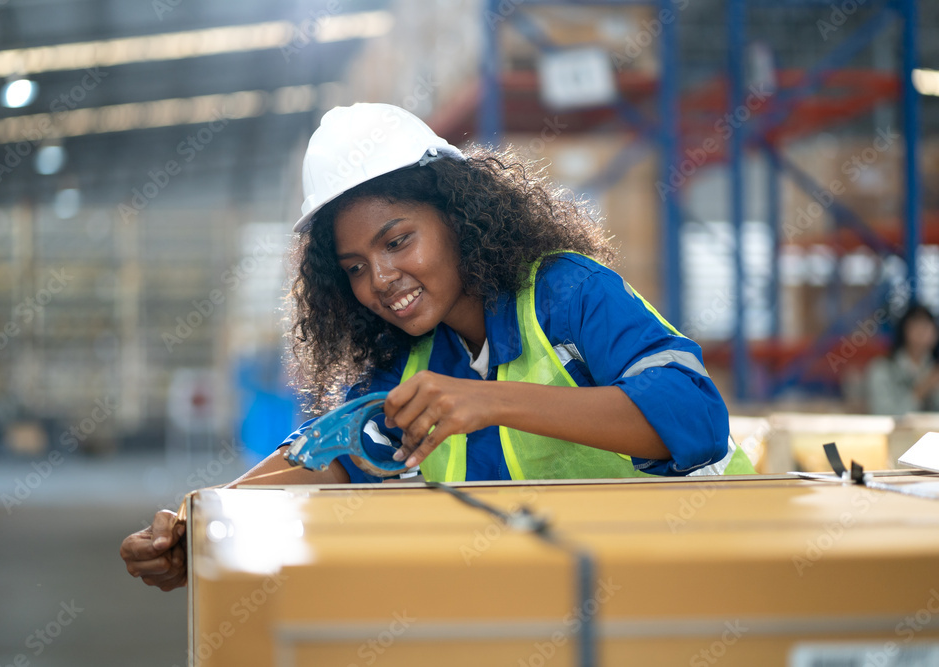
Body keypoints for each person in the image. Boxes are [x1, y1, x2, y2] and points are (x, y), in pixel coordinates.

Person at [120, 103, 754, 591]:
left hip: (706, 577)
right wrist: (198, 523)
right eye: (355, 267)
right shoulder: (410, 360)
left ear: (458, 214)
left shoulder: (571, 294)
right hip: (564, 602)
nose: (380, 280)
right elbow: (335, 451)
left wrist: (491, 401)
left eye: (397, 242)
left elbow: (695, 415)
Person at [866, 303, 939, 415]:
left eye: (927, 327)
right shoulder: (882, 369)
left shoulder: (934, 369)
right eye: (916, 326)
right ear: (904, 330)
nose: (922, 332)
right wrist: (922, 390)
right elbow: (883, 415)